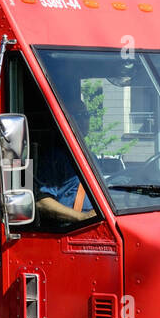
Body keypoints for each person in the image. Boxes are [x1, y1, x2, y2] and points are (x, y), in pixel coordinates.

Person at [33, 94, 98, 227]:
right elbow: (41, 201)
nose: (85, 120)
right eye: (79, 115)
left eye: (86, 115)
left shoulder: (89, 155)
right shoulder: (54, 157)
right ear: (65, 120)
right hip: (73, 229)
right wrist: (82, 217)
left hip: (96, 223)